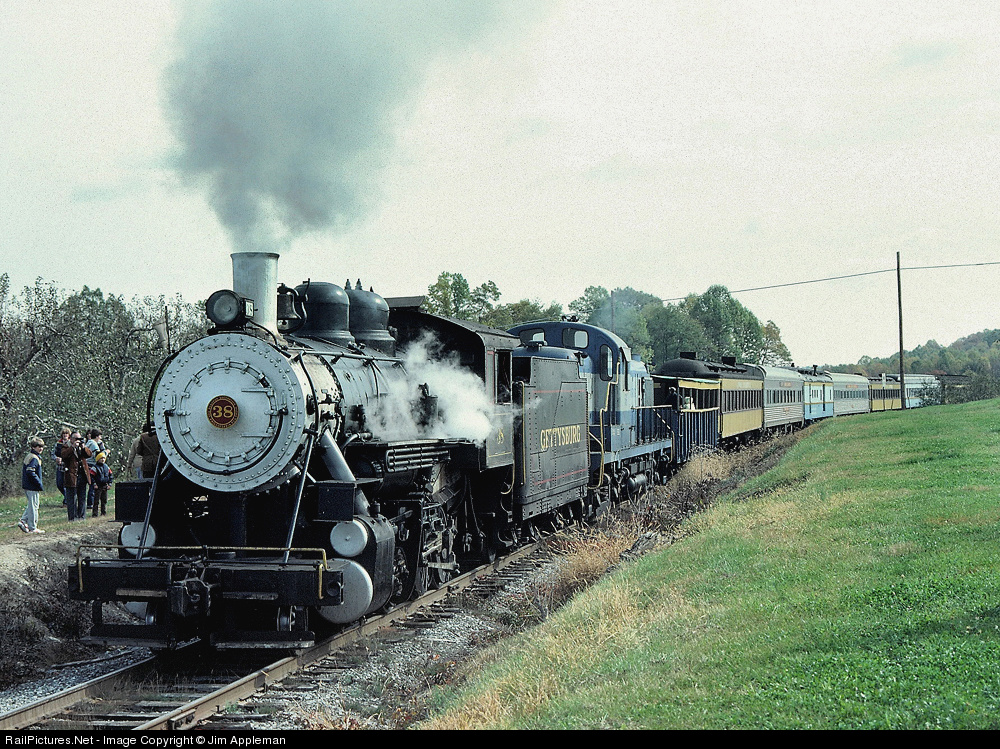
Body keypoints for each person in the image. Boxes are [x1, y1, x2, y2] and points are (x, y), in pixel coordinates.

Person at [61, 431, 92, 521]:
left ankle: (82, 516)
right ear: (71, 439)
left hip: (82, 475)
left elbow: (89, 454)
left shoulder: (82, 447)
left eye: (79, 438)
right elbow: (64, 455)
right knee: (72, 498)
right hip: (71, 476)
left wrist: (84, 447)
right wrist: (72, 447)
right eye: (76, 439)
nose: (78, 440)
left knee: (82, 497)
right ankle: (73, 517)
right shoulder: (66, 446)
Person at [18, 437, 46, 534]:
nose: (41, 449)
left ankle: (23, 521)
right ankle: (33, 527)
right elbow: (30, 471)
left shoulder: (30, 456)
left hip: (28, 485)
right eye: (38, 446)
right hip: (32, 486)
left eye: (42, 447)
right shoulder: (34, 458)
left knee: (32, 504)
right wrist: (38, 482)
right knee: (34, 506)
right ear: (33, 447)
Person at [85, 429, 106, 511]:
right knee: (93, 485)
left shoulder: (88, 442)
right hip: (91, 465)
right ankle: (91, 503)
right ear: (97, 436)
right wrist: (106, 452)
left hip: (87, 464)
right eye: (100, 436)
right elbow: (98, 456)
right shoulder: (94, 444)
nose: (100, 438)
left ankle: (90, 502)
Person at [52, 427, 71, 506]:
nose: (65, 435)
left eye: (66, 433)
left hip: (69, 467)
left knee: (67, 484)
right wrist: (56, 458)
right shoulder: (58, 443)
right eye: (63, 434)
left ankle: (66, 501)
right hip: (60, 467)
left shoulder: (71, 443)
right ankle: (68, 497)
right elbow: (52, 454)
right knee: (59, 484)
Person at [91, 452, 113, 517]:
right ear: (98, 459)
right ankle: (95, 514)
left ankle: (103, 513)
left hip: (105, 486)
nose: (103, 460)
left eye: (104, 458)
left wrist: (110, 484)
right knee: (96, 501)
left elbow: (110, 475)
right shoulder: (95, 467)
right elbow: (91, 477)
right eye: (101, 458)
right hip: (98, 486)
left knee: (104, 500)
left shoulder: (107, 467)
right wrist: (94, 484)